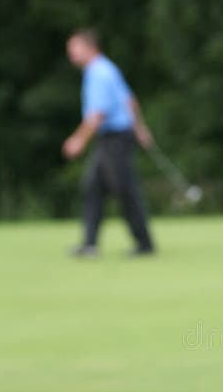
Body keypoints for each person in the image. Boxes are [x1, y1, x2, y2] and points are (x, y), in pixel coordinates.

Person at [62, 28, 156, 256]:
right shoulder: (107, 68)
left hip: (115, 139)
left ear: (90, 47)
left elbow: (98, 114)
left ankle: (145, 244)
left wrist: (78, 140)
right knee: (93, 188)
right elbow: (130, 100)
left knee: (125, 190)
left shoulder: (98, 73)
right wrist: (140, 128)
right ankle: (90, 243)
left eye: (75, 48)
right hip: (113, 138)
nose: (71, 54)